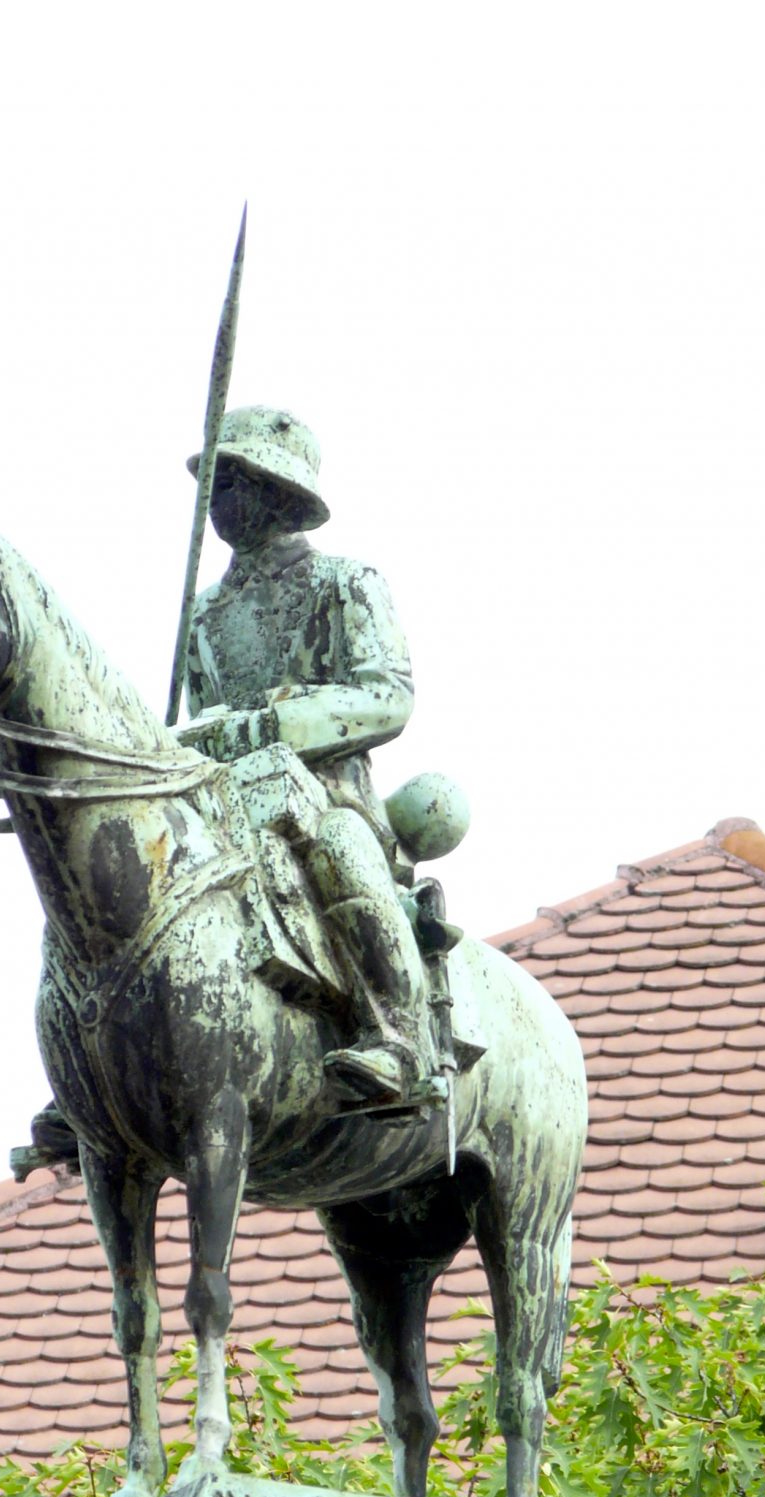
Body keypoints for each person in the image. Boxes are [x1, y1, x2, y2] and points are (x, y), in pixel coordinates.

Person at [176, 405, 447, 1114]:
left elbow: (387, 695)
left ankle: (398, 1037)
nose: (219, 500)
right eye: (215, 482)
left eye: (232, 480)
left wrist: (277, 721)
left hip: (327, 795)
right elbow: (197, 714)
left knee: (339, 852)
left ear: (276, 490)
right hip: (219, 800)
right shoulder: (199, 615)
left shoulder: (346, 581)